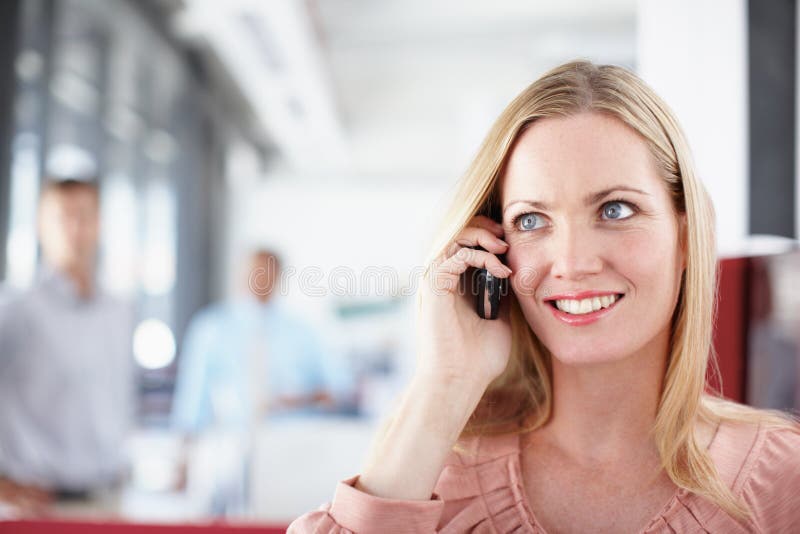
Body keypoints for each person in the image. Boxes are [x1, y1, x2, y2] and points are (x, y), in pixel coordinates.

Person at [289, 60, 800, 532]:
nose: (573, 262)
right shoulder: (431, 475)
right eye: (531, 221)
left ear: (686, 239)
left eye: (615, 210)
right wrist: (446, 383)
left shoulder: (783, 480)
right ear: (493, 247)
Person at [0, 178, 134, 517]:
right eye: (63, 216)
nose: (76, 227)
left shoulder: (118, 311)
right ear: (40, 226)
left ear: (100, 224)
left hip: (109, 501)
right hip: (41, 507)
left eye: (86, 215)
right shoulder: (17, 309)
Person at [171, 249, 354, 434]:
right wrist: (184, 447)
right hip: (231, 439)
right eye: (254, 271)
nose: (260, 279)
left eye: (268, 272)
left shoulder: (303, 331)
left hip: (292, 437)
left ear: (279, 276)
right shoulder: (211, 329)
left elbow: (339, 387)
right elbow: (192, 401)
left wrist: (303, 399)